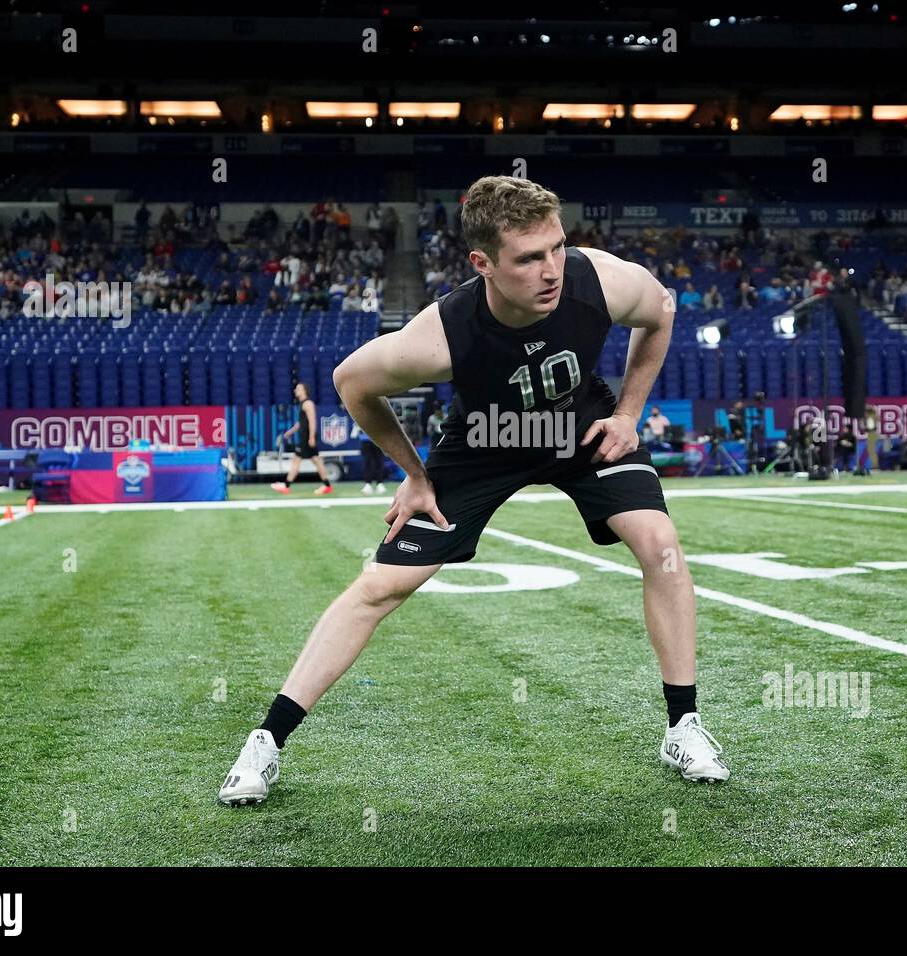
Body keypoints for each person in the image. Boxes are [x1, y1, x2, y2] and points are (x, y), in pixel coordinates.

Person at [219, 176, 728, 805]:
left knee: (661, 544)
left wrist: (627, 414)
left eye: (556, 249)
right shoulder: (441, 335)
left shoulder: (602, 280)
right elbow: (352, 382)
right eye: (528, 258)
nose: (551, 271)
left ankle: (683, 725)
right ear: (482, 263)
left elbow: (662, 313)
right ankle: (266, 741)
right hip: (484, 441)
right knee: (381, 586)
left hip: (579, 427)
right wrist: (414, 473)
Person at [271, 383, 334, 496]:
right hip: (305, 437)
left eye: (298, 389)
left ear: (304, 390)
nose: (296, 391)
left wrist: (311, 437)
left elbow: (312, 421)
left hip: (307, 438)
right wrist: (289, 433)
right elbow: (301, 423)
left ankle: (286, 485)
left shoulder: (308, 403)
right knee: (316, 461)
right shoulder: (302, 404)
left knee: (297, 459)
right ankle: (327, 485)